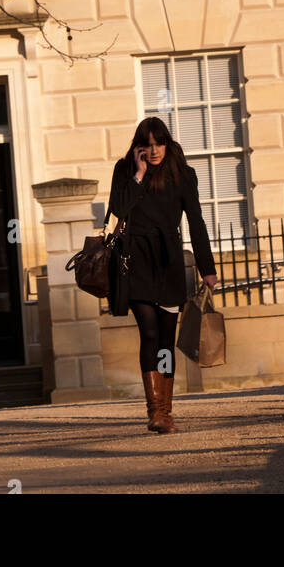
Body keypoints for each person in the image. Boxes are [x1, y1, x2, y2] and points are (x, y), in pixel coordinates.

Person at [108, 116, 217, 434]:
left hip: (169, 262)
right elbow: (118, 208)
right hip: (136, 261)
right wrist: (139, 176)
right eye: (147, 145)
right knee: (150, 334)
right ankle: (154, 410)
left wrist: (206, 268)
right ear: (139, 147)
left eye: (159, 144)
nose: (154, 150)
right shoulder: (125, 170)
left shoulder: (183, 174)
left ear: (167, 143)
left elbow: (196, 221)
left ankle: (166, 412)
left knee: (167, 340)